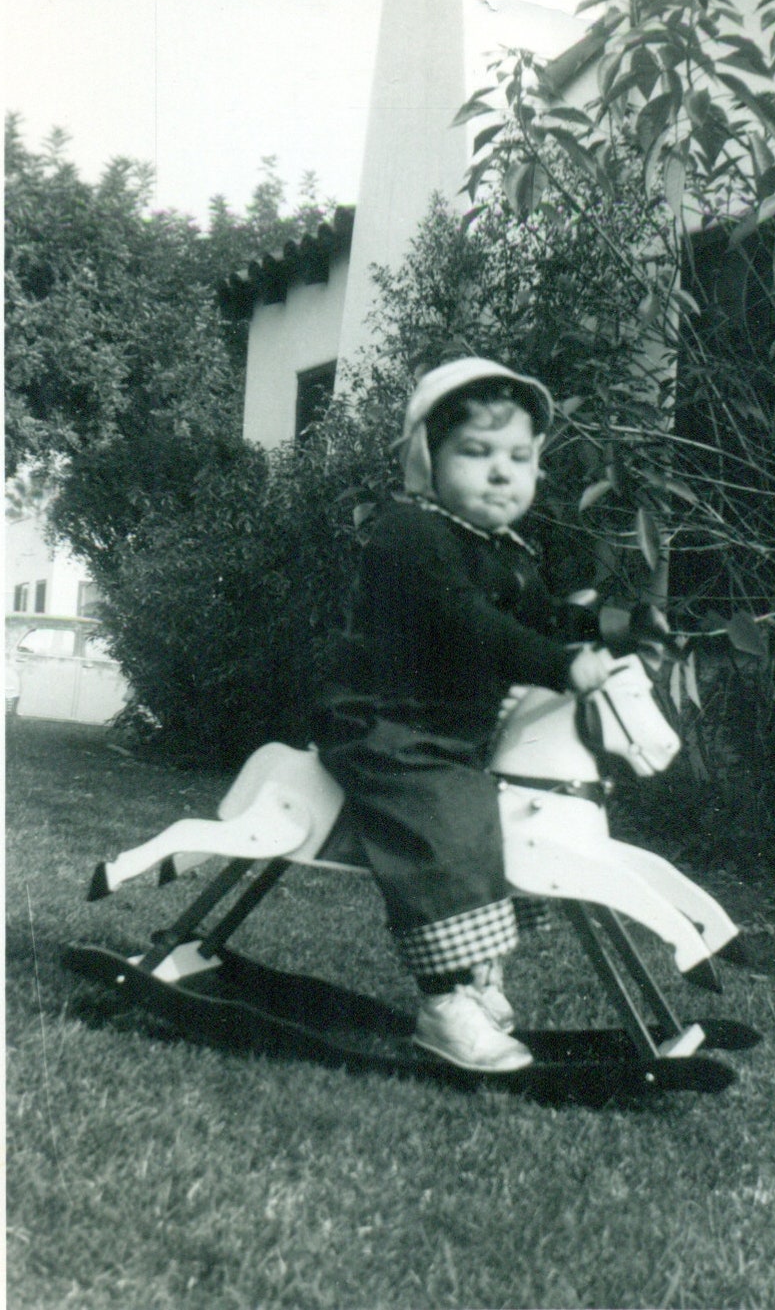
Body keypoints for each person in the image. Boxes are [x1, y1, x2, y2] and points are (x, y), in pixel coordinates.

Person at [314, 357, 616, 1072]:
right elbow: (468, 623)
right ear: (427, 458)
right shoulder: (410, 535)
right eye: (475, 453)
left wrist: (618, 630)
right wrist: (557, 663)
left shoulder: (509, 552)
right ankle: (445, 1004)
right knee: (444, 819)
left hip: (450, 732)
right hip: (384, 720)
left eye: (519, 456)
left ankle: (481, 977)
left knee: (500, 813)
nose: (501, 472)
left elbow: (544, 618)